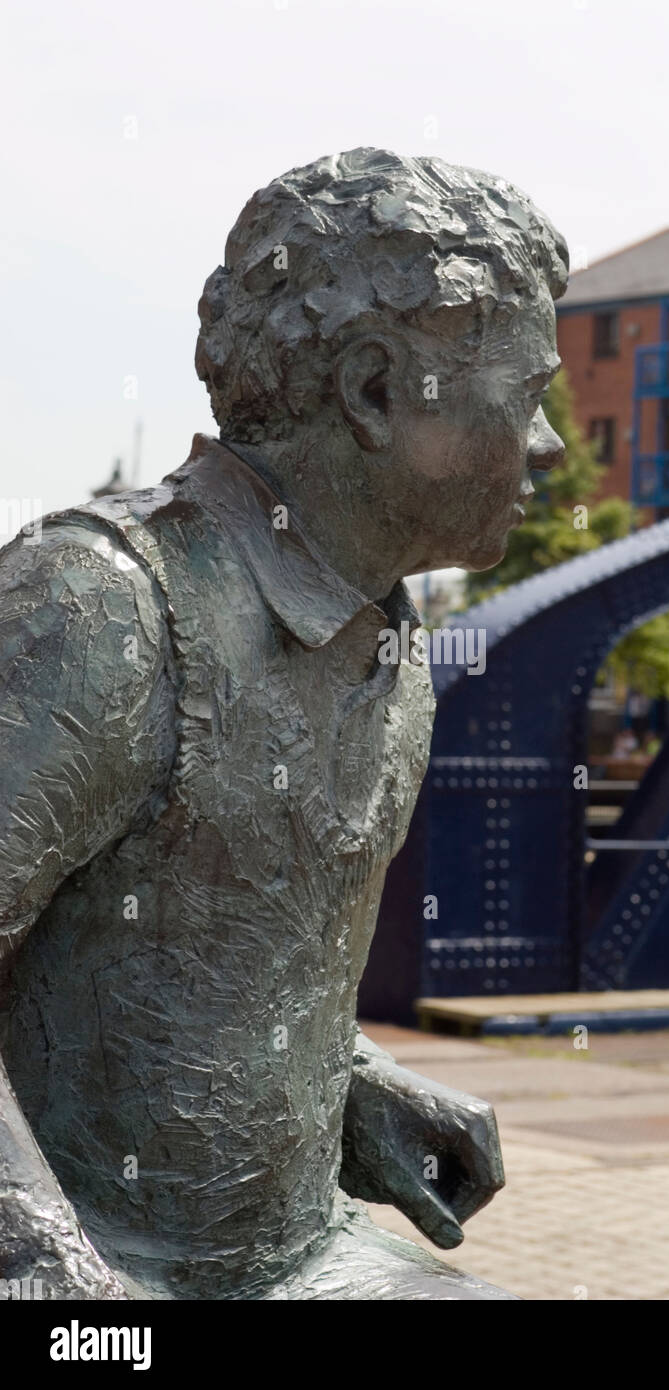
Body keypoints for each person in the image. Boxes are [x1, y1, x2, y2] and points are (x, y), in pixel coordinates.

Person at [0, 148, 567, 1299]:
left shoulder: (389, 651)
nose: (551, 444)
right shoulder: (108, 607)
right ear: (372, 391)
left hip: (296, 1262)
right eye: (528, 395)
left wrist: (348, 1086)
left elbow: (173, 966)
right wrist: (43, 1268)